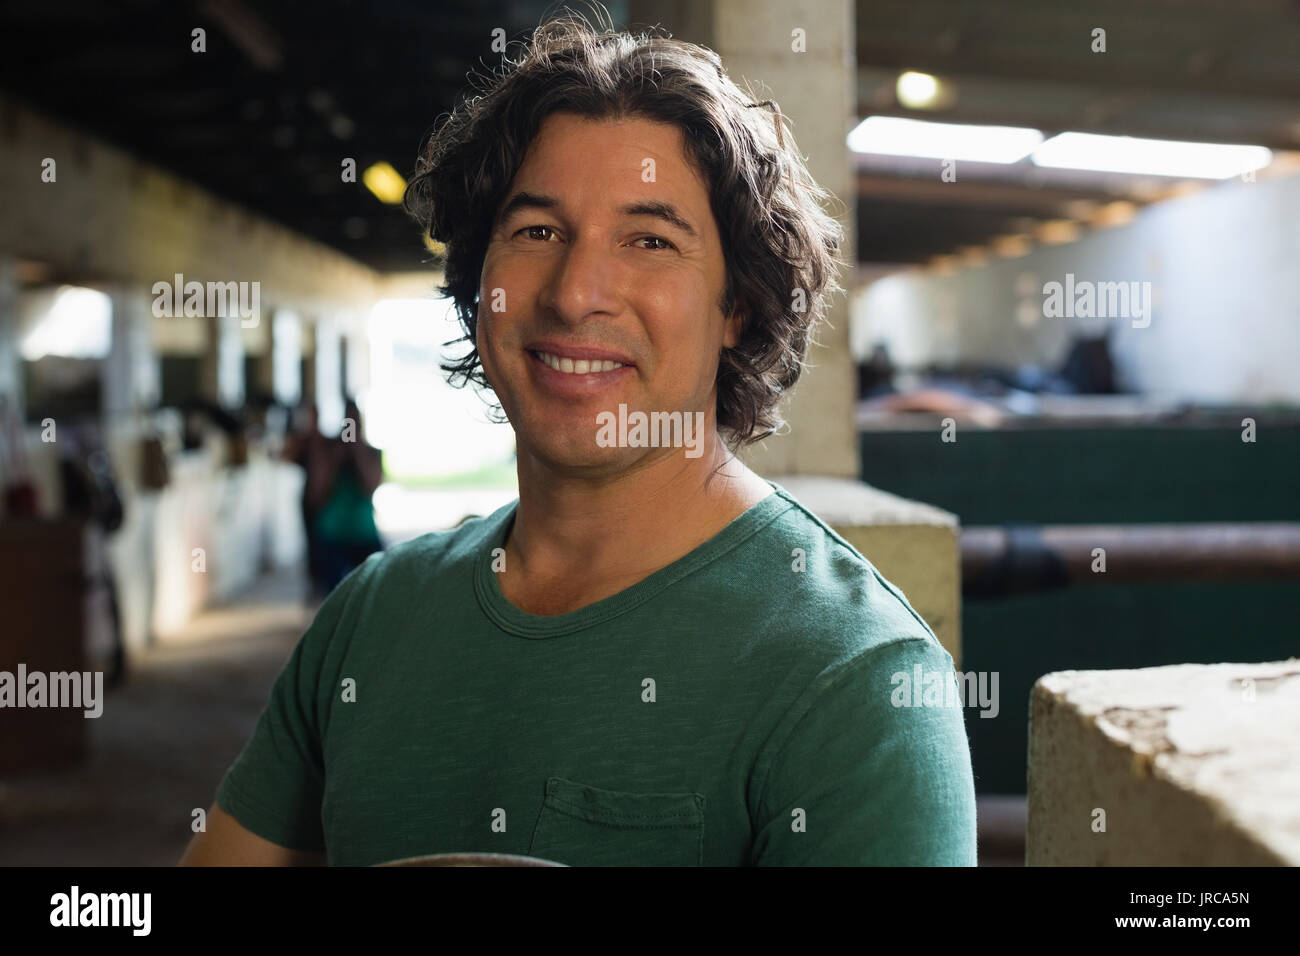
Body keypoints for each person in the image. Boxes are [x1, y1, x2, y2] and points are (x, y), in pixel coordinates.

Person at [181, 11, 976, 866]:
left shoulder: (854, 676)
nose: (576, 293)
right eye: (537, 232)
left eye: (650, 239)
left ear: (737, 308)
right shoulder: (369, 619)